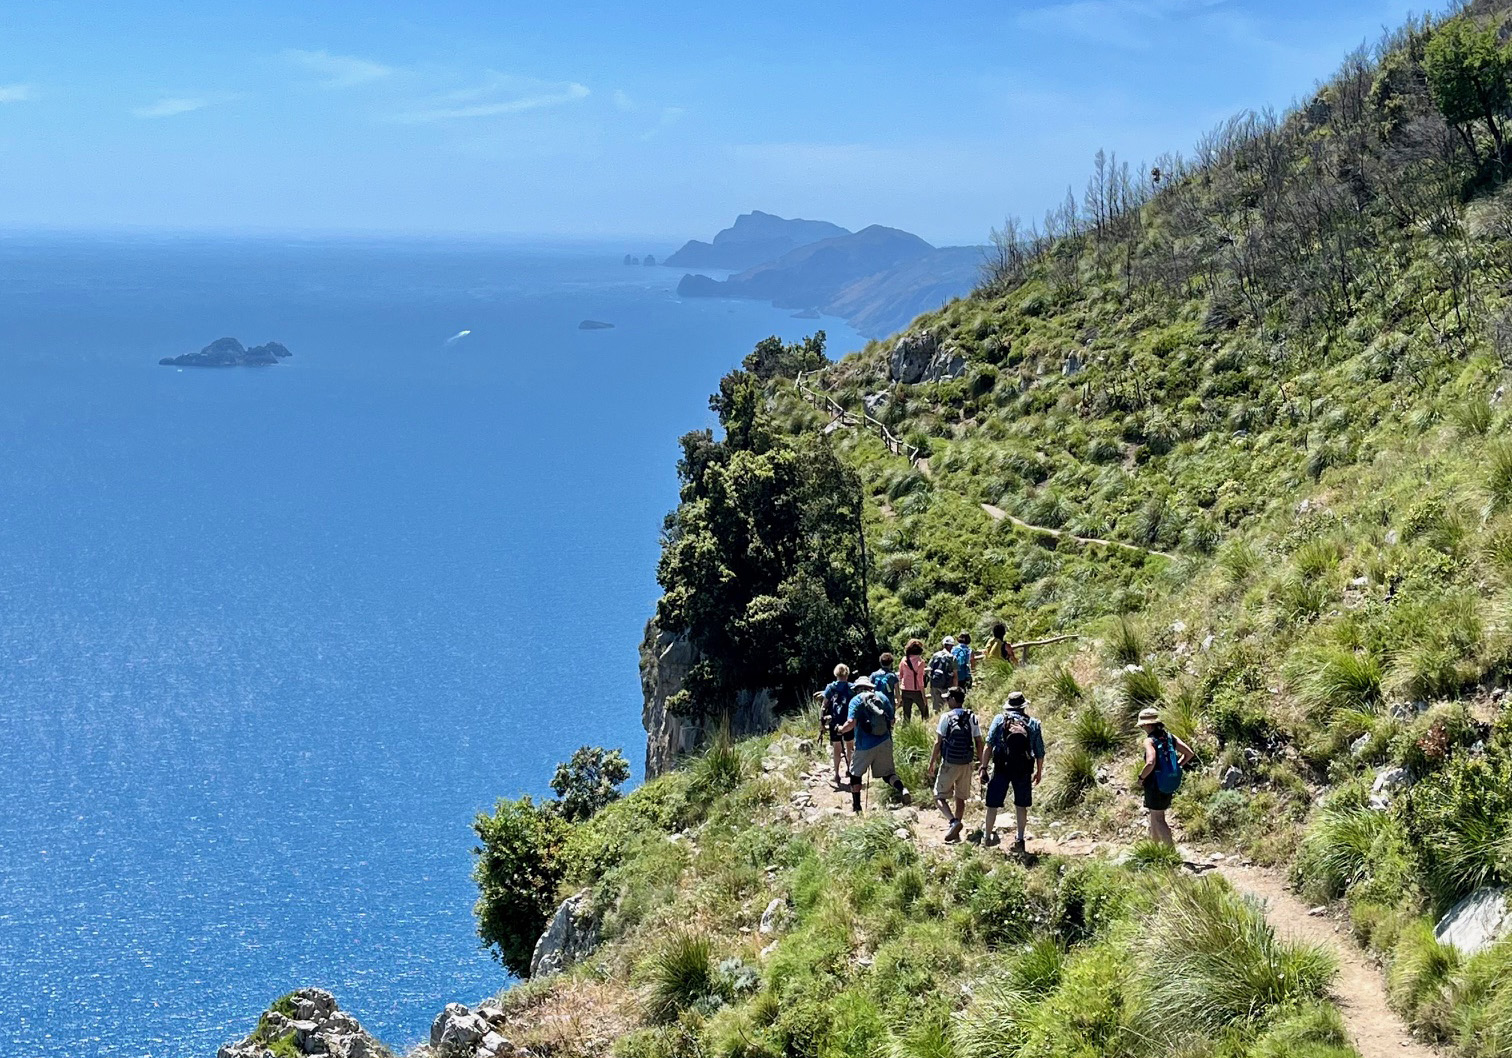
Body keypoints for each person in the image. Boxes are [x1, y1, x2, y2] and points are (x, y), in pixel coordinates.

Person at [979, 691, 1045, 852]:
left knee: (992, 804)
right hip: (1023, 768)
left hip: (1002, 766)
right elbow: (1040, 751)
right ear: (1023, 706)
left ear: (1008, 706)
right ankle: (1020, 839)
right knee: (1021, 804)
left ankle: (987, 838)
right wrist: (1039, 772)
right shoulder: (1033, 723)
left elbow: (988, 744)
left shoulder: (1000, 719)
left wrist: (983, 767)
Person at [839, 676, 911, 813]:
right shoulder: (882, 697)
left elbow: (851, 723)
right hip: (884, 741)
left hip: (864, 745)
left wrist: (840, 730)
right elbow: (892, 721)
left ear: (858, 689)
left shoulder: (856, 700)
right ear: (870, 687)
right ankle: (903, 789)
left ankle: (857, 807)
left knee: (855, 774)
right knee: (888, 774)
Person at [926, 688, 983, 843]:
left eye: (947, 698)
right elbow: (979, 741)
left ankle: (953, 822)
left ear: (953, 699)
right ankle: (955, 831)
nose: (946, 701)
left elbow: (938, 742)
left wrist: (931, 762)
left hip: (950, 762)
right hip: (966, 762)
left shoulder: (946, 717)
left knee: (938, 795)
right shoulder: (972, 716)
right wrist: (981, 763)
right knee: (960, 797)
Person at [1137, 708, 1195, 846]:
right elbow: (1189, 753)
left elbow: (1151, 762)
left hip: (1155, 783)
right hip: (1168, 781)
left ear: (1149, 725)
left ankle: (1170, 851)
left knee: (1158, 819)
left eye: (1143, 725)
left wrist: (1141, 778)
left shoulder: (1149, 740)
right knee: (1154, 815)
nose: (1142, 727)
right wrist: (1176, 767)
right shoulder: (1169, 737)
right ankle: (1154, 848)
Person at [819, 664, 854, 786]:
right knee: (850, 747)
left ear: (836, 674)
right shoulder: (851, 688)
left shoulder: (830, 687)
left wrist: (821, 723)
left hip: (834, 722)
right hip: (848, 722)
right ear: (847, 674)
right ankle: (851, 771)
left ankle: (836, 774)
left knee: (836, 749)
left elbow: (824, 706)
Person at [898, 639, 929, 724]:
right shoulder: (920, 662)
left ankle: (905, 732)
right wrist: (923, 695)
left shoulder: (904, 660)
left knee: (906, 715)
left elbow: (901, 675)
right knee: (924, 711)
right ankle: (925, 728)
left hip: (905, 689)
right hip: (916, 690)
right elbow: (920, 679)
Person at [926, 636, 958, 715]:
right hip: (946, 685)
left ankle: (936, 720)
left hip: (935, 683)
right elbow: (955, 675)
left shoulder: (935, 655)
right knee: (947, 705)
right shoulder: (952, 658)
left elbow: (929, 669)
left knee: (936, 705)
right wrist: (955, 688)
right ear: (952, 646)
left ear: (943, 645)